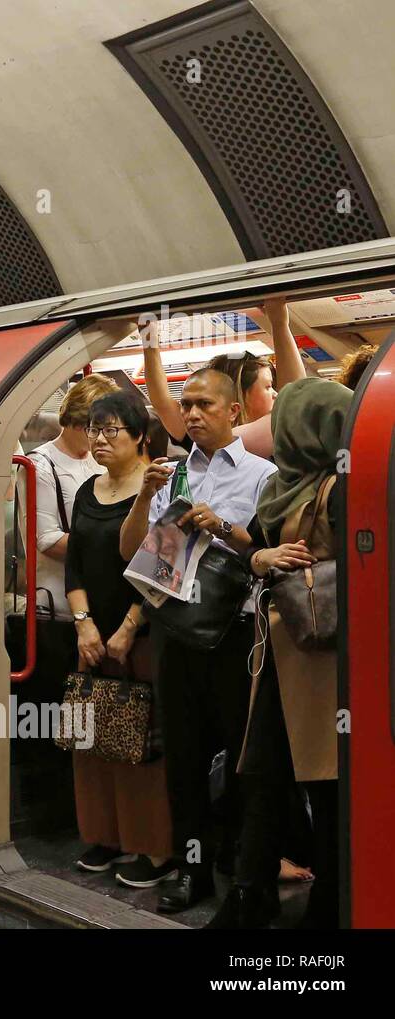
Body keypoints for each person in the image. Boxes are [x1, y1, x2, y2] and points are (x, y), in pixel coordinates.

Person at [119, 368, 278, 914]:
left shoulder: (262, 475)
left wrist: (224, 529)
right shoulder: (170, 476)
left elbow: (269, 555)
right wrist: (143, 499)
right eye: (184, 404)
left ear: (234, 412)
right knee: (183, 761)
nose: (190, 414)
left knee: (242, 757)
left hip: (234, 634)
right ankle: (192, 870)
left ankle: (240, 864)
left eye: (203, 404)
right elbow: (132, 555)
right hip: (176, 628)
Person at [210, 378, 351, 929]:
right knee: (263, 777)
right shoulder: (285, 486)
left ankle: (331, 906)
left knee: (329, 785)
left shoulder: (342, 489)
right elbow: (256, 550)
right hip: (275, 657)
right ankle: (249, 896)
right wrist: (262, 557)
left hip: (323, 665)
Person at [63, 390, 176, 885]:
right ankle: (105, 837)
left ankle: (151, 847)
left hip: (142, 637)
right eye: (94, 429)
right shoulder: (88, 490)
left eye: (111, 430)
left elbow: (161, 568)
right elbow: (75, 566)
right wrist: (83, 622)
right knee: (91, 743)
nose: (100, 439)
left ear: (139, 437)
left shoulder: (162, 491)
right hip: (91, 640)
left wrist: (130, 627)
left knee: (140, 745)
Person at [23, 374, 116, 697]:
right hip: (58, 612)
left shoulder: (100, 462)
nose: (100, 437)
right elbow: (46, 539)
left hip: (101, 605)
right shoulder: (41, 464)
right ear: (79, 422)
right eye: (96, 428)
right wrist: (110, 544)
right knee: (61, 710)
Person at [142, 298, 306, 459]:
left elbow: (161, 401)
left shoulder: (203, 436)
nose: (276, 393)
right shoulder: (217, 436)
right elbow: (294, 396)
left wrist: (148, 335)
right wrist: (279, 323)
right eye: (268, 386)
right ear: (240, 394)